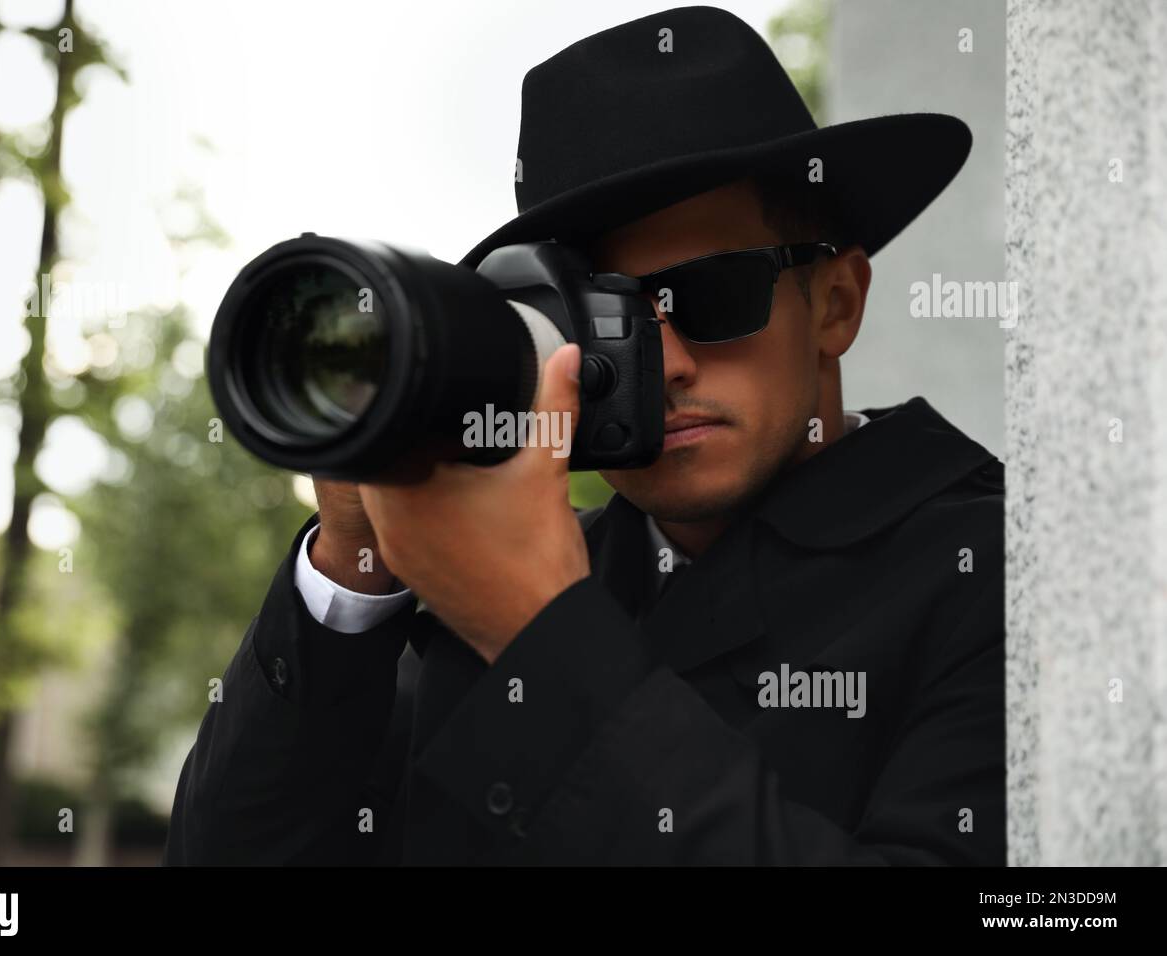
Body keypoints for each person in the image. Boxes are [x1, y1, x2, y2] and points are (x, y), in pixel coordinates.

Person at [165, 5, 1004, 865]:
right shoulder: (506, 583)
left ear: (835, 303)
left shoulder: (1000, 571)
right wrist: (352, 572)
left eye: (711, 296)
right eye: (605, 325)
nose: (663, 362)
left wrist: (544, 638)